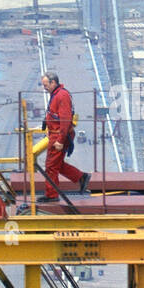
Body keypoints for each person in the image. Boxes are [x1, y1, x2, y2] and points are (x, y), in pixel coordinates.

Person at [40, 72, 90, 202]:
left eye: (45, 85)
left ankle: (52, 195)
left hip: (58, 136)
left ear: (53, 83)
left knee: (51, 166)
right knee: (57, 164)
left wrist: (60, 141)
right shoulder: (57, 94)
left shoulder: (61, 96)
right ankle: (81, 177)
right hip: (55, 134)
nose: (44, 88)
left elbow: (65, 120)